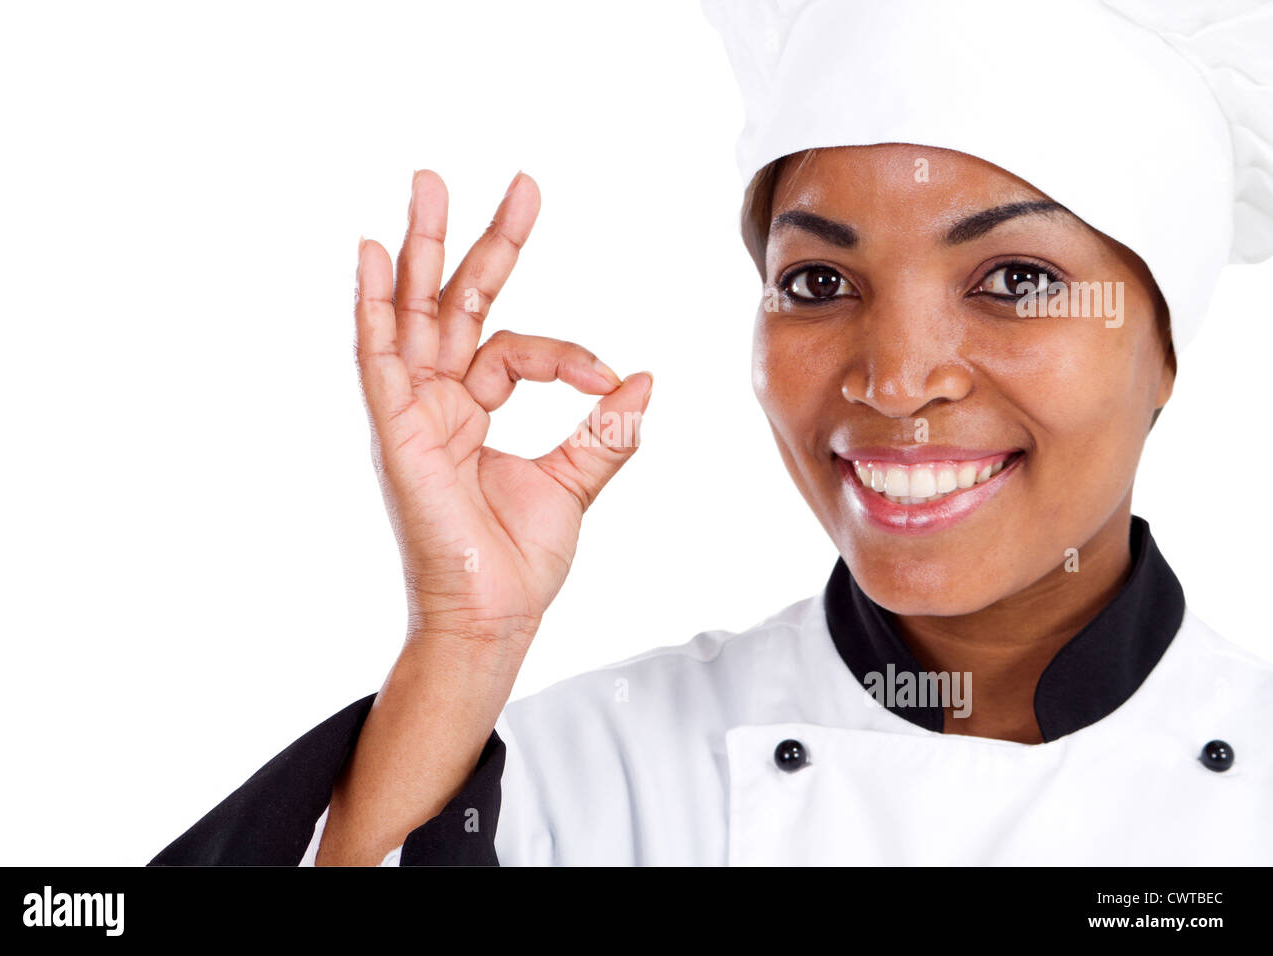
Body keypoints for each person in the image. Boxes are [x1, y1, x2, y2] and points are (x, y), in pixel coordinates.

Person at [150, 0, 1273, 866]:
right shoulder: (590, 777)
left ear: (1165, 343)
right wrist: (461, 636)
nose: (893, 380)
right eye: (820, 278)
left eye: (1015, 279)